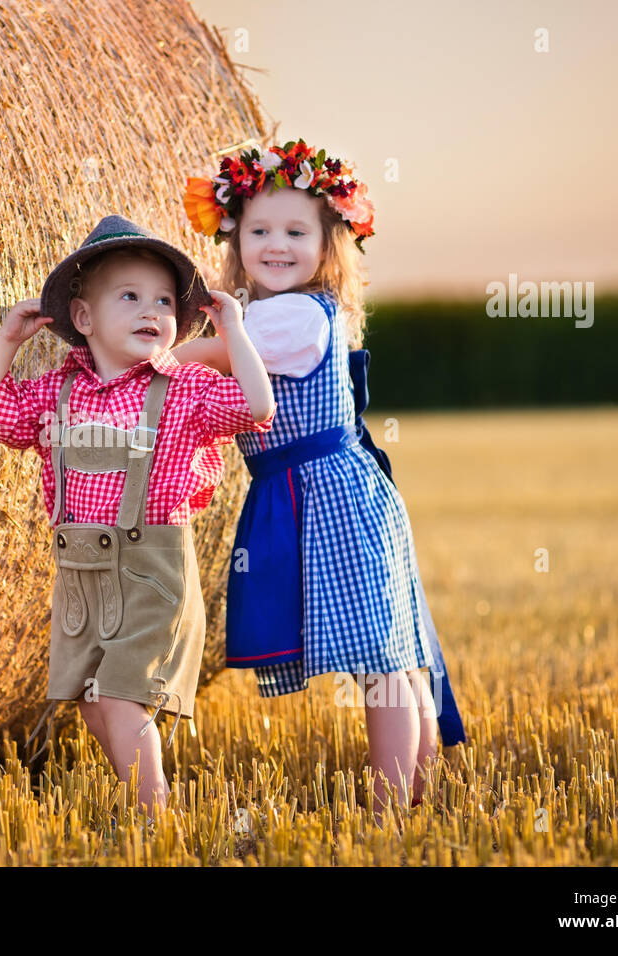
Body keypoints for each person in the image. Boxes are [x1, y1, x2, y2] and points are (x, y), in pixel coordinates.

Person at [173, 140, 464, 825]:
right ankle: (415, 796)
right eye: (260, 231)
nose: (277, 245)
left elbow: (193, 359)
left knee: (384, 664)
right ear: (236, 238)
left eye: (296, 232)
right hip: (330, 491)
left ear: (328, 244)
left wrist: (135, 348)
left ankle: (394, 805)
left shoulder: (292, 315)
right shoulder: (282, 310)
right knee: (392, 657)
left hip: (330, 497)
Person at [0, 214, 274, 822]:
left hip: (154, 573)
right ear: (83, 318)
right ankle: (145, 807)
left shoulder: (183, 390)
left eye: (163, 300)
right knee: (88, 698)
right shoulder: (56, 392)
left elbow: (258, 404)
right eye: (129, 296)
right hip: (81, 574)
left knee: (125, 701)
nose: (150, 311)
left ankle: (154, 821)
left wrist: (232, 328)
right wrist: (6, 342)